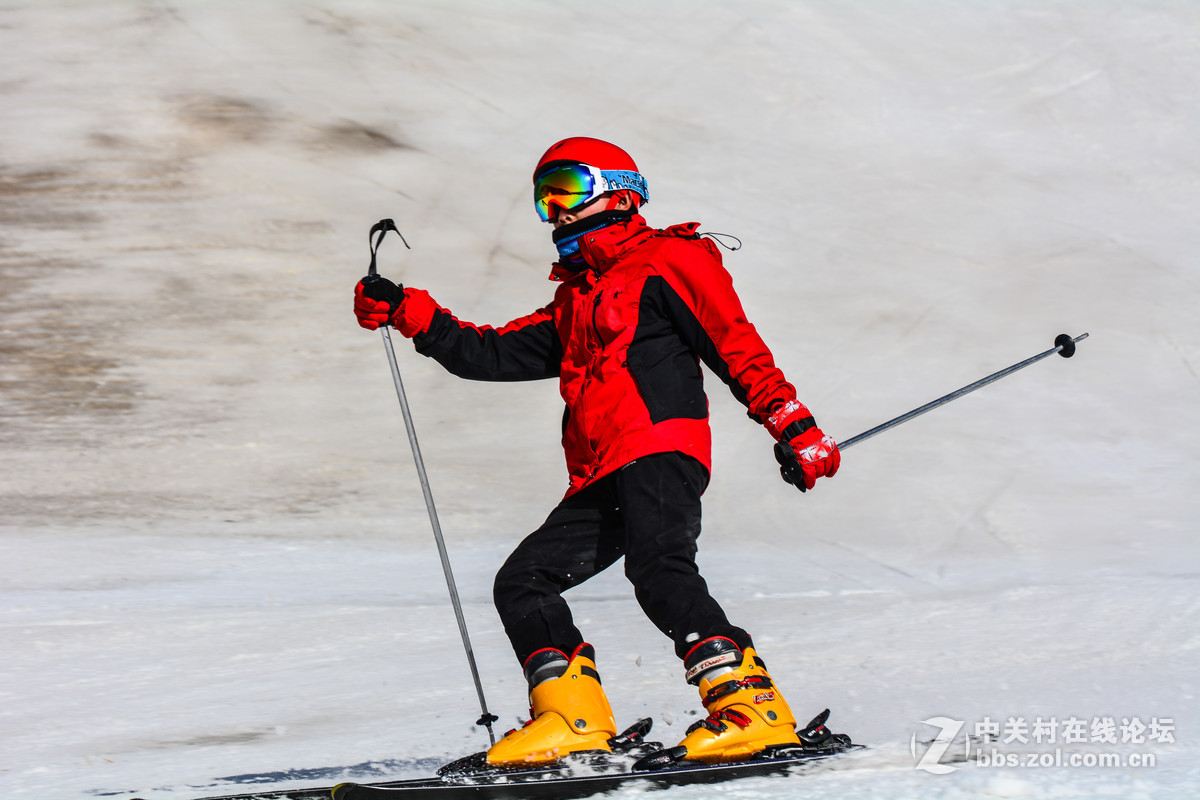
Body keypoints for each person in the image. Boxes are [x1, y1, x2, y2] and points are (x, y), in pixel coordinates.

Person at [353, 137, 840, 765]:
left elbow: (734, 344)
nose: (554, 210)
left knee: (660, 569)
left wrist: (792, 425)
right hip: (601, 471)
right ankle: (574, 719)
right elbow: (490, 352)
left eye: (567, 190)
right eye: (543, 198)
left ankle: (751, 707)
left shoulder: (671, 259)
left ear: (619, 191)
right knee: (523, 583)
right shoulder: (575, 299)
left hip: (661, 448)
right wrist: (409, 312)